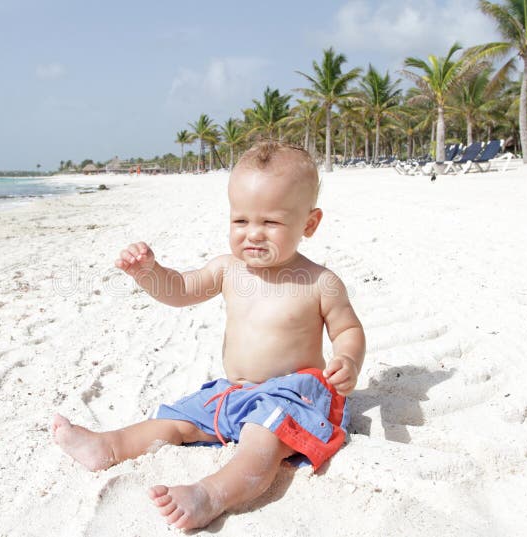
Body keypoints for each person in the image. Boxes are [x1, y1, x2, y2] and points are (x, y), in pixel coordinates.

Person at [52, 141, 365, 530]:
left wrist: (348, 360)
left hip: (292, 396)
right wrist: (150, 273)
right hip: (233, 391)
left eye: (270, 223)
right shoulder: (227, 269)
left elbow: (348, 328)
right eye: (241, 221)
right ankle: (107, 446)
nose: (253, 234)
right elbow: (180, 289)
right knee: (177, 422)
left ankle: (211, 494)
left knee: (261, 442)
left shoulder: (320, 282)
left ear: (309, 224)